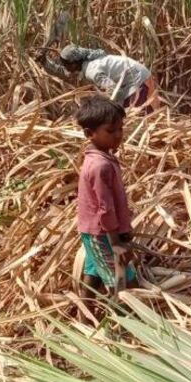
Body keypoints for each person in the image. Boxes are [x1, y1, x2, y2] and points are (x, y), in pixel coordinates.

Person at [75, 96, 137, 306]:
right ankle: (120, 325)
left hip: (96, 231)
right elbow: (105, 208)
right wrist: (117, 241)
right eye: (111, 131)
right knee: (120, 280)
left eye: (121, 128)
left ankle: (84, 314)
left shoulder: (101, 158)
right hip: (102, 234)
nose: (118, 135)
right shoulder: (100, 166)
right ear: (89, 133)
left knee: (94, 270)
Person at [38, 44, 160, 113]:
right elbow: (65, 73)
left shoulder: (92, 71)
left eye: (65, 64)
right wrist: (45, 63)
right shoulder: (87, 62)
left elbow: (114, 90)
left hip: (138, 80)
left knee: (140, 117)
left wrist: (99, 107)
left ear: (74, 64)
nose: (64, 67)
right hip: (134, 78)